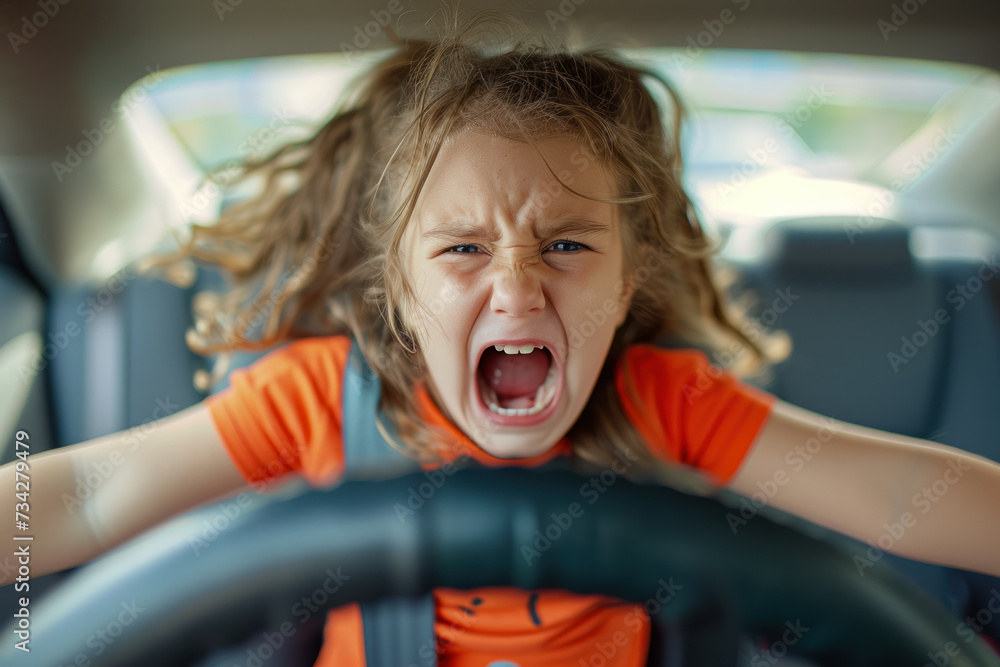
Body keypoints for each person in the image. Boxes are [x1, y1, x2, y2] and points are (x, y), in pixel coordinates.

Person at [2, 9, 999, 667]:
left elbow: (900, 495)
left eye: (566, 243)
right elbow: (95, 492)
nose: (517, 282)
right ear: (397, 289)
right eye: (463, 249)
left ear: (626, 283)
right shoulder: (316, 402)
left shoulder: (662, 403)